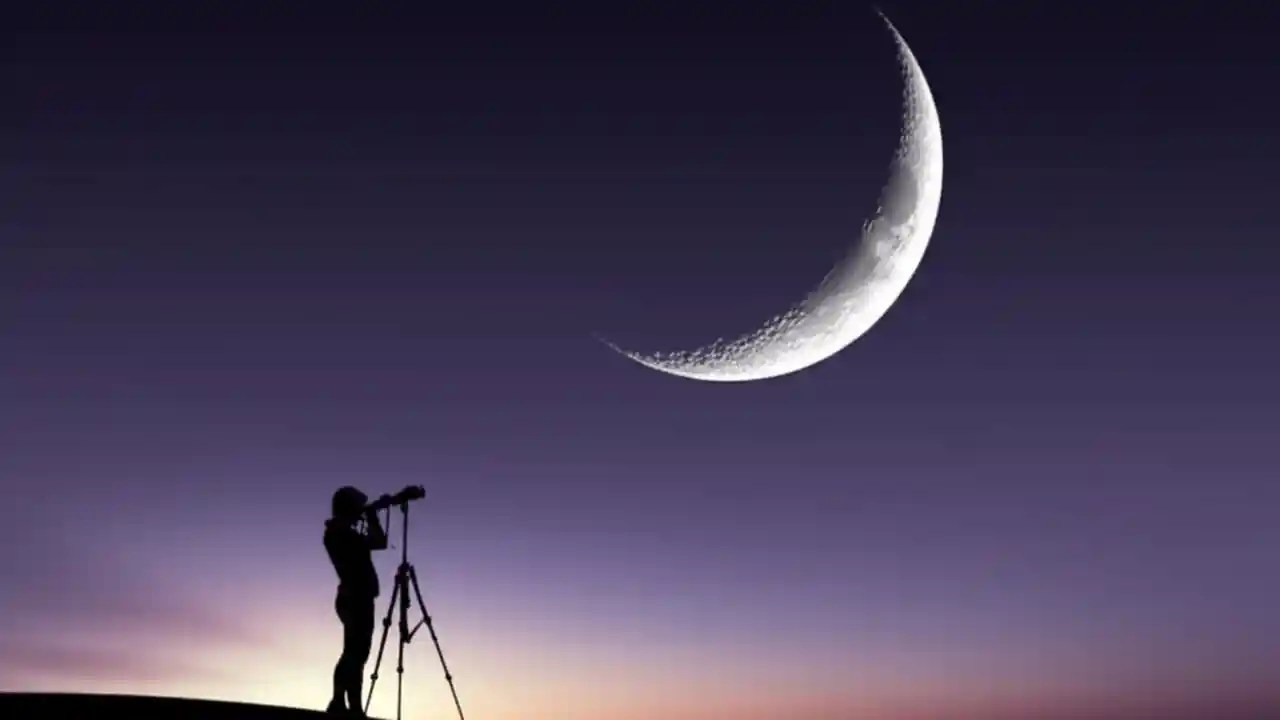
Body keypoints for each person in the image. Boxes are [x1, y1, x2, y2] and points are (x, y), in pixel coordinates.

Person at [324, 485, 389, 716]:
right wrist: (371, 516)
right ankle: (338, 703)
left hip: (354, 598)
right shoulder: (340, 533)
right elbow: (378, 541)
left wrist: (369, 515)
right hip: (355, 598)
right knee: (354, 654)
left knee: (356, 654)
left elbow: (377, 541)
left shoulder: (341, 532)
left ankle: (353, 707)